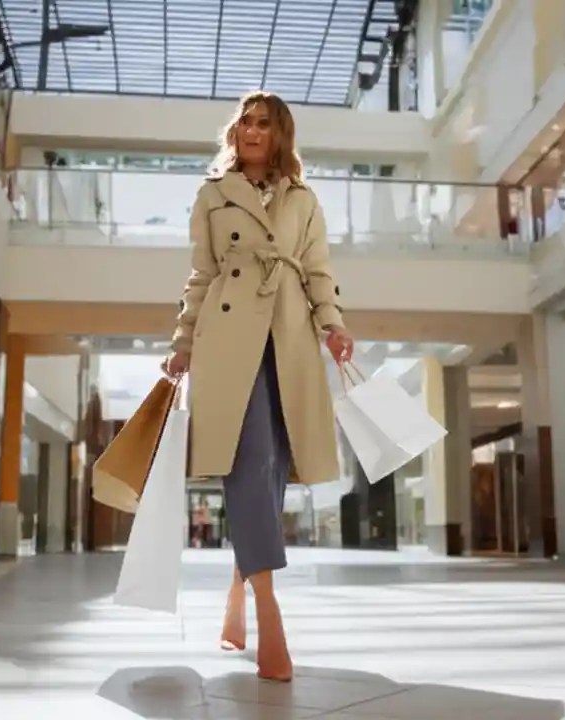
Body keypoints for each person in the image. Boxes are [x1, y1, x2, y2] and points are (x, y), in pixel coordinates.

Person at [162, 91, 354, 682]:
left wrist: (334, 325)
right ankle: (270, 614)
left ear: (279, 134)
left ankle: (237, 590)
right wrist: (183, 340)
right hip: (228, 337)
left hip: (289, 339)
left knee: (272, 469)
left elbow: (319, 270)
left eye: (263, 123)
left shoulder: (304, 199)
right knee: (247, 463)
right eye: (244, 121)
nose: (251, 130)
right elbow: (200, 274)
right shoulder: (213, 195)